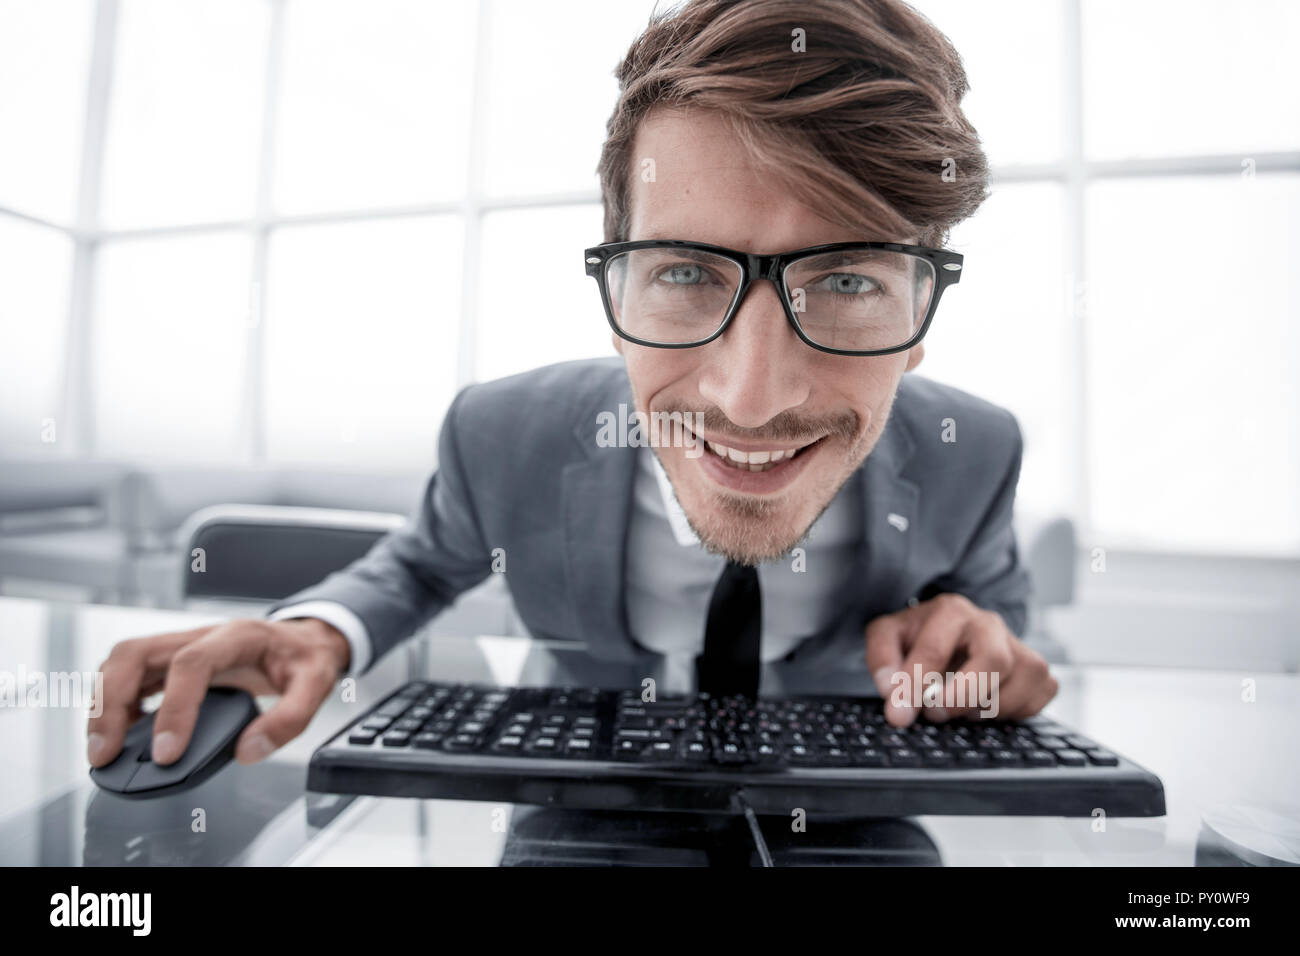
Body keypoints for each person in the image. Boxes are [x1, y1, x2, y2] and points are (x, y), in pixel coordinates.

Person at [88, 0, 1058, 772]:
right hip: (575, 801)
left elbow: (998, 617)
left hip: (851, 811)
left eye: (846, 280)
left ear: (924, 313)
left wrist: (987, 661)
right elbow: (420, 567)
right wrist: (319, 632)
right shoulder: (500, 432)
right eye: (685, 272)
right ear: (615, 294)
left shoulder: (976, 450)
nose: (751, 396)